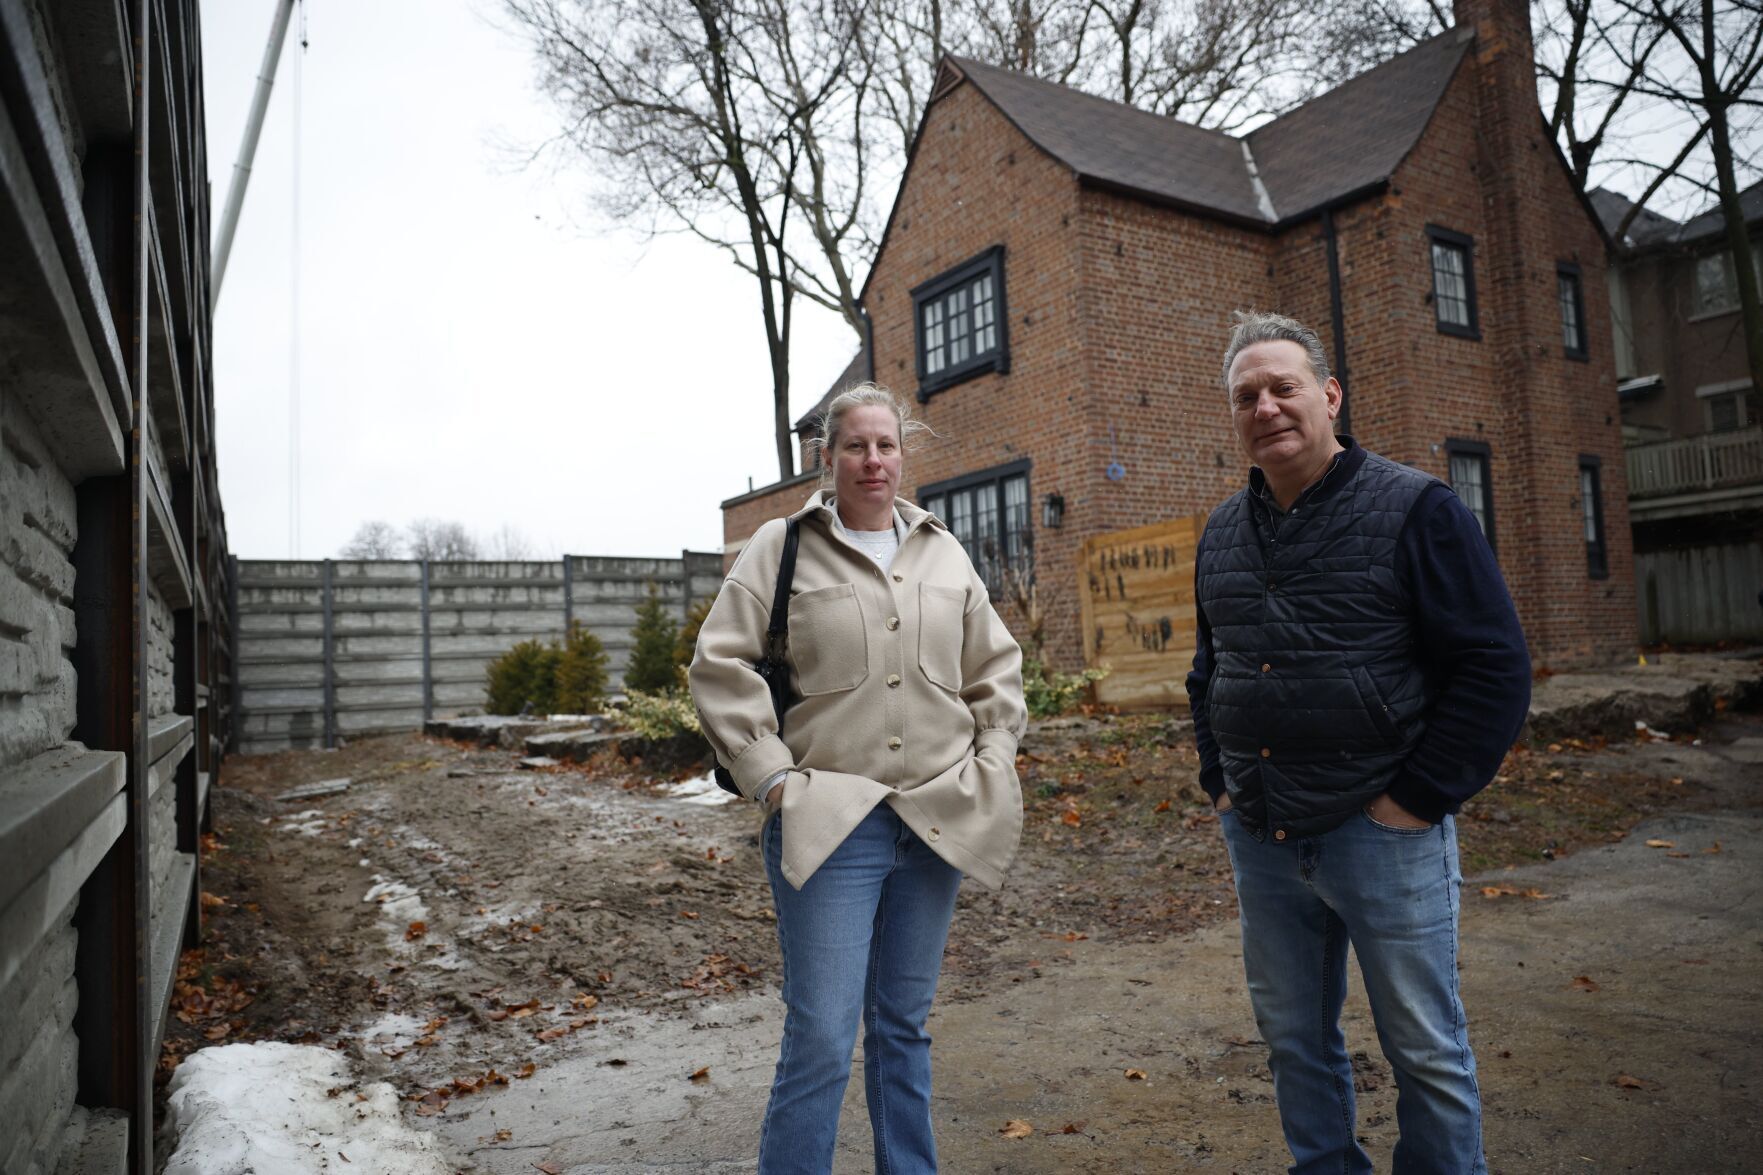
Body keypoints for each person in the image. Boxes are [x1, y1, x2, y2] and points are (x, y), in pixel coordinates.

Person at [1186, 311, 1531, 1174]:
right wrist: (1219, 782)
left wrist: (1412, 802)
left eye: (1283, 387)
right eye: (1245, 396)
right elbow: (1208, 670)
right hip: (1263, 835)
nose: (1264, 407)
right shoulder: (1222, 531)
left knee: (1424, 1049)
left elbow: (1492, 669)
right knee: (1295, 1042)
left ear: (1329, 395)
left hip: (1381, 834)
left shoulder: (1418, 509)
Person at [689, 383, 1026, 1175]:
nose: (872, 460)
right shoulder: (781, 548)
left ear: (901, 454)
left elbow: (995, 667)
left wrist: (995, 756)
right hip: (830, 824)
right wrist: (770, 776)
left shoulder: (943, 551)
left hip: (937, 820)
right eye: (855, 446)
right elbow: (718, 662)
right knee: (821, 1034)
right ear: (827, 456)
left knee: (903, 1025)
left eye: (886, 445)